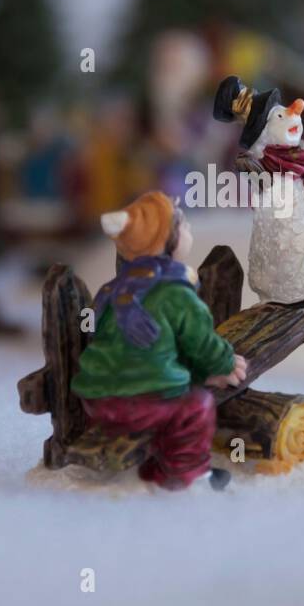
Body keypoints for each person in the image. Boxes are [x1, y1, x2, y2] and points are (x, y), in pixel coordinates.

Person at [71, 191, 247, 490]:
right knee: (198, 406)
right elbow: (201, 342)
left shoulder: (111, 291)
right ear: (168, 241)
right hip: (141, 403)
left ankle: (155, 463)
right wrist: (226, 363)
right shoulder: (175, 293)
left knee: (171, 393)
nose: (190, 232)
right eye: (185, 227)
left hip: (96, 400)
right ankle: (188, 473)